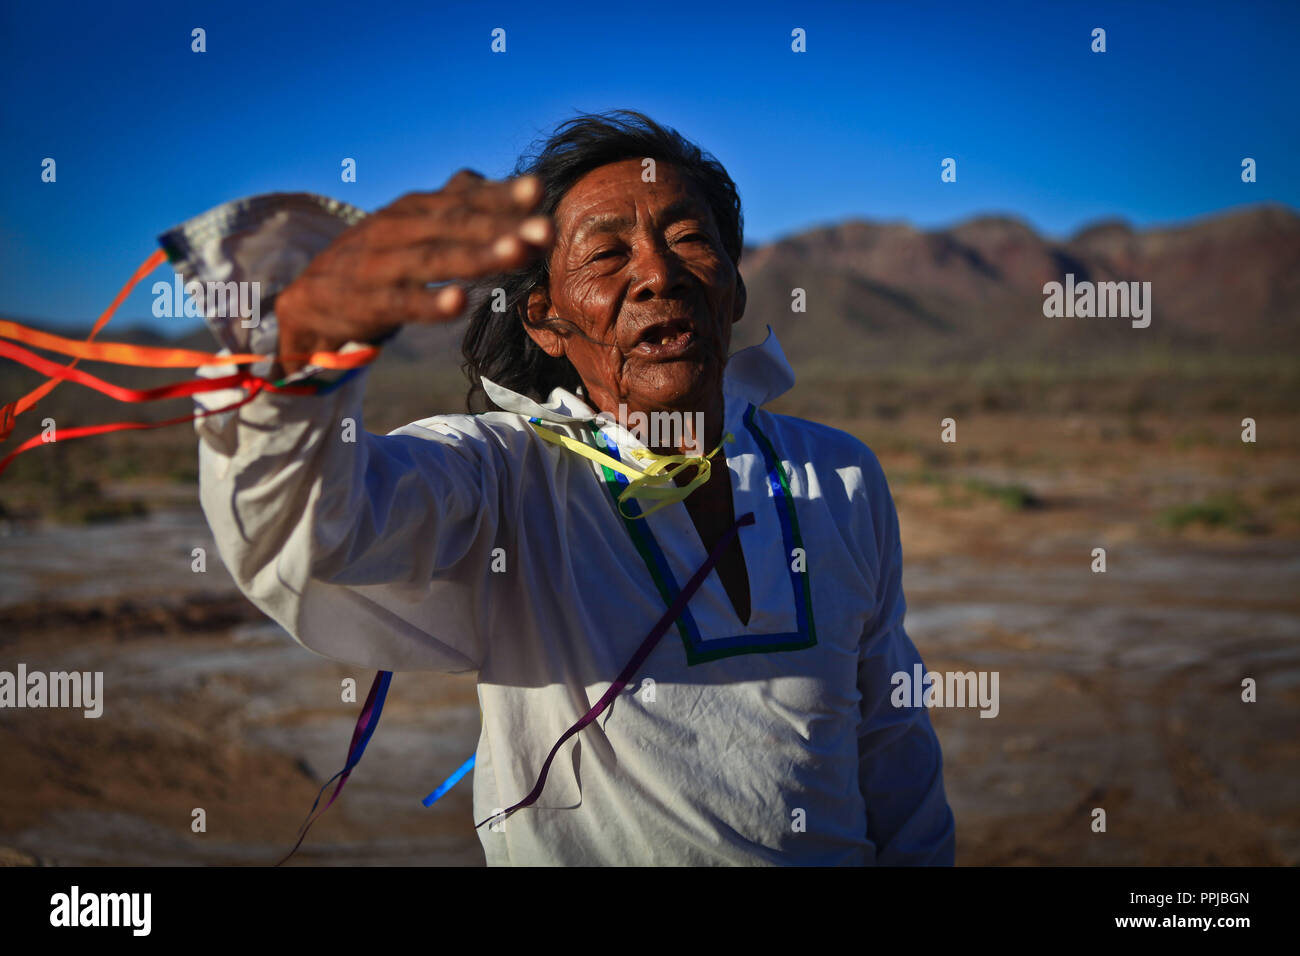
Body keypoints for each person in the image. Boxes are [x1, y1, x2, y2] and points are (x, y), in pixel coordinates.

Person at [180, 110, 956, 865]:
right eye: (606, 256)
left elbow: (891, 739)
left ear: (736, 288)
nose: (659, 274)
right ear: (547, 322)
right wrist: (295, 360)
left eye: (689, 237)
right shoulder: (502, 479)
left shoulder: (838, 476)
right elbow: (320, 534)